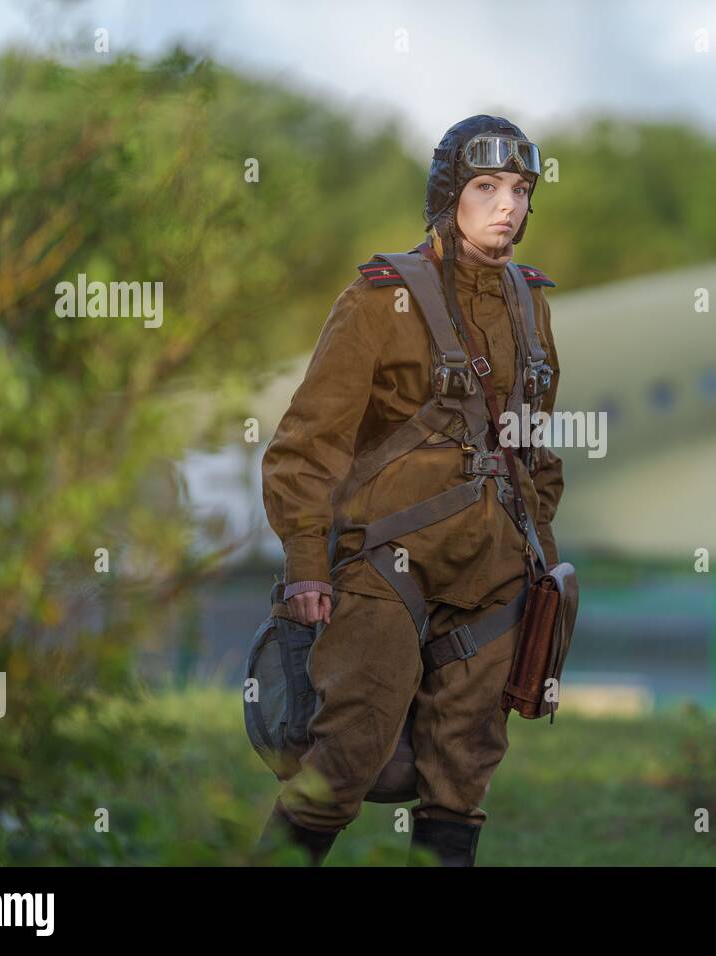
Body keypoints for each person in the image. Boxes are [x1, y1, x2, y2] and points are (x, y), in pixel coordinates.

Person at [255, 115, 563, 866]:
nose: (508, 206)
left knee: (463, 777)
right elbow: (307, 442)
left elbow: (534, 449)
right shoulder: (378, 300)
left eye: (520, 190)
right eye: (486, 187)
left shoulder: (531, 302)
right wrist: (306, 563)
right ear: (448, 197)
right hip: (387, 564)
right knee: (345, 756)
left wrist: (536, 560)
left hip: (492, 580)